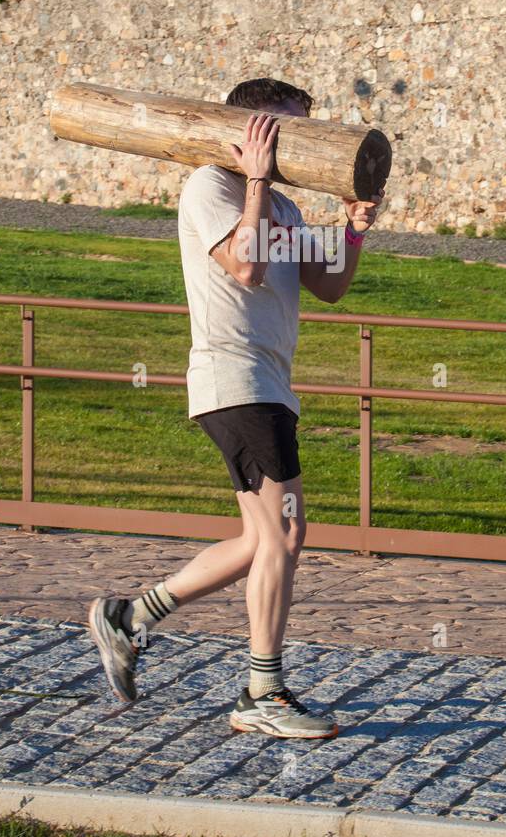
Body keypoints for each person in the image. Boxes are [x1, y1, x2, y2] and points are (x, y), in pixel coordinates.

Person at [89, 77, 384, 738]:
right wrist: (252, 181)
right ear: (250, 128)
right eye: (286, 129)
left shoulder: (286, 209)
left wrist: (355, 229)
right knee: (284, 532)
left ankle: (130, 617)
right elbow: (244, 267)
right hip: (234, 375)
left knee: (264, 539)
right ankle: (262, 693)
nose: (296, 143)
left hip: (271, 384)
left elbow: (329, 285)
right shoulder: (211, 188)